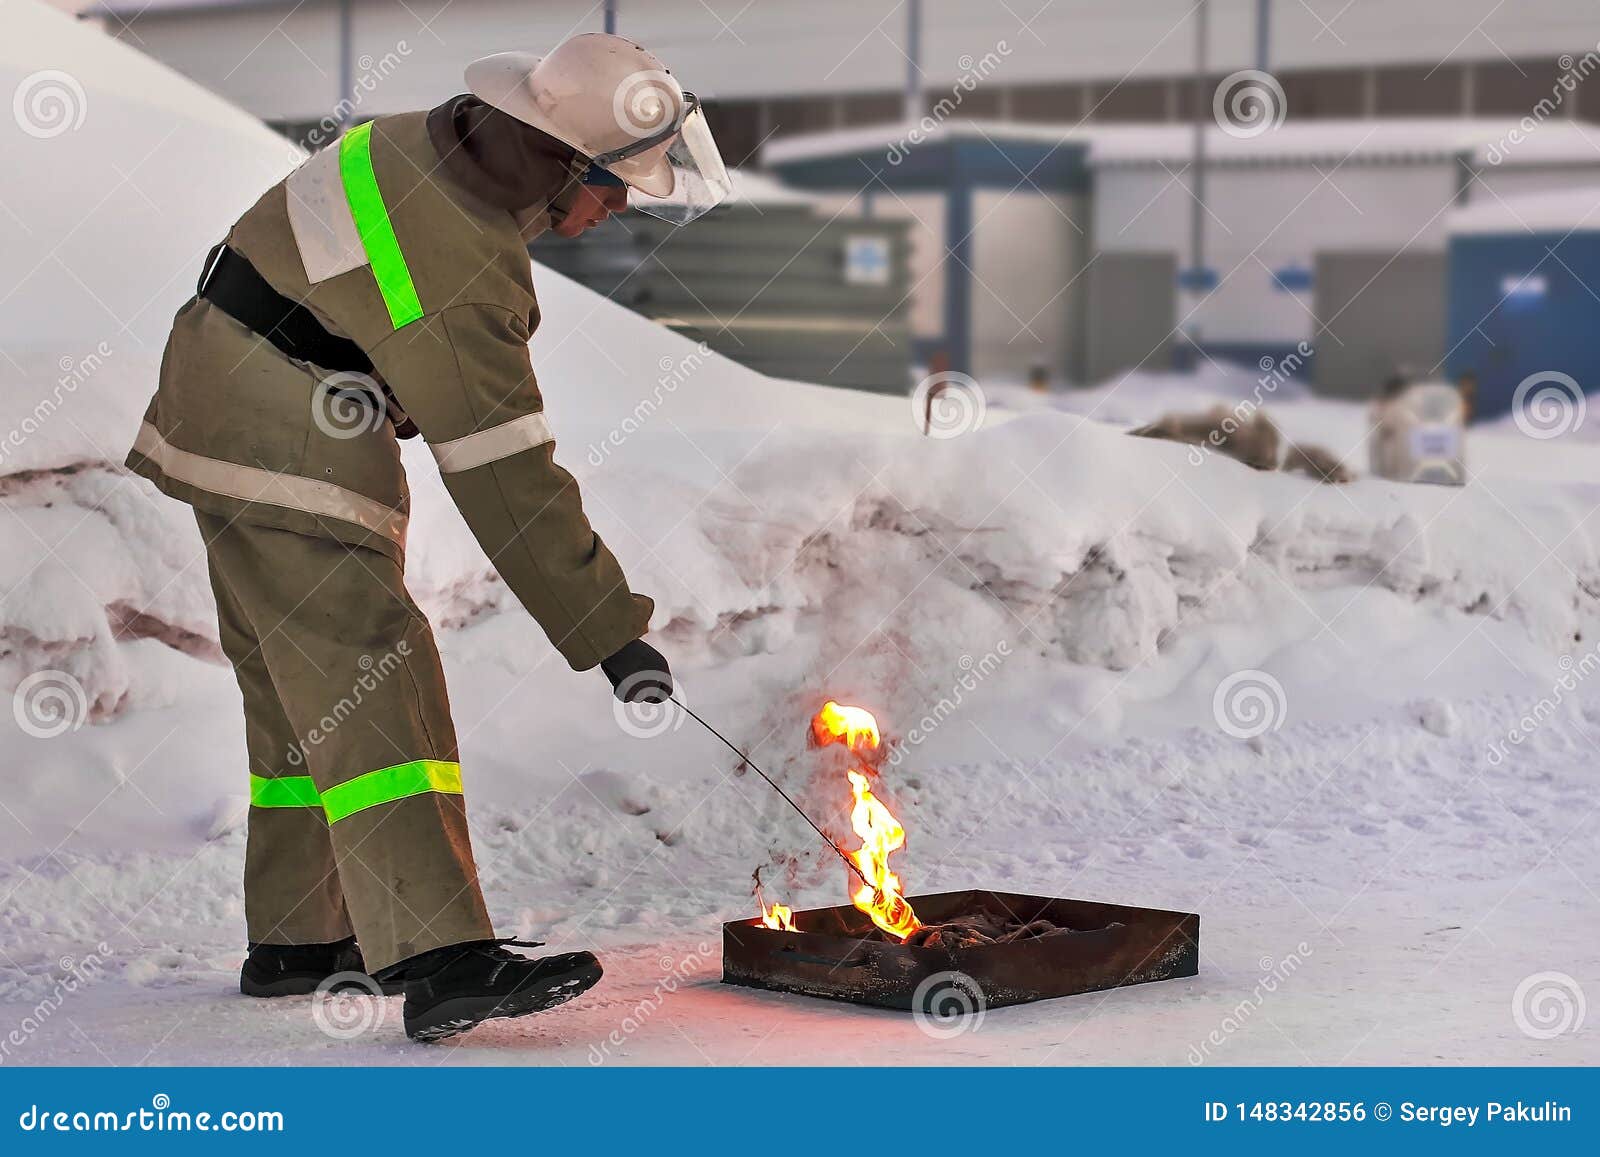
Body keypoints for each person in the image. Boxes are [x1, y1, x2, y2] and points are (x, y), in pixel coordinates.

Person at [123, 33, 731, 1042]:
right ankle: (443, 958)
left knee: (301, 689)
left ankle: (302, 937)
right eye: (616, 186)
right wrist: (609, 632)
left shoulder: (427, 142)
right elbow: (507, 477)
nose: (620, 208)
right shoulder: (467, 268)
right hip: (284, 432)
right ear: (558, 163)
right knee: (376, 665)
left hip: (219, 394)